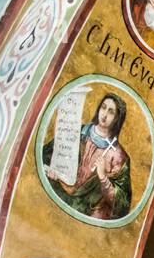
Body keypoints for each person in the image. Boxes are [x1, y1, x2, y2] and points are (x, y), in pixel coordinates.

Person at [42, 92, 133, 220]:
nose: (105, 114)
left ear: (117, 118)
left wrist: (103, 178)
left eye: (111, 112)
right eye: (103, 107)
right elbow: (46, 154)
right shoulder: (77, 132)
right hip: (59, 193)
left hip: (86, 211)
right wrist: (51, 169)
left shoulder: (118, 156)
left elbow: (123, 206)